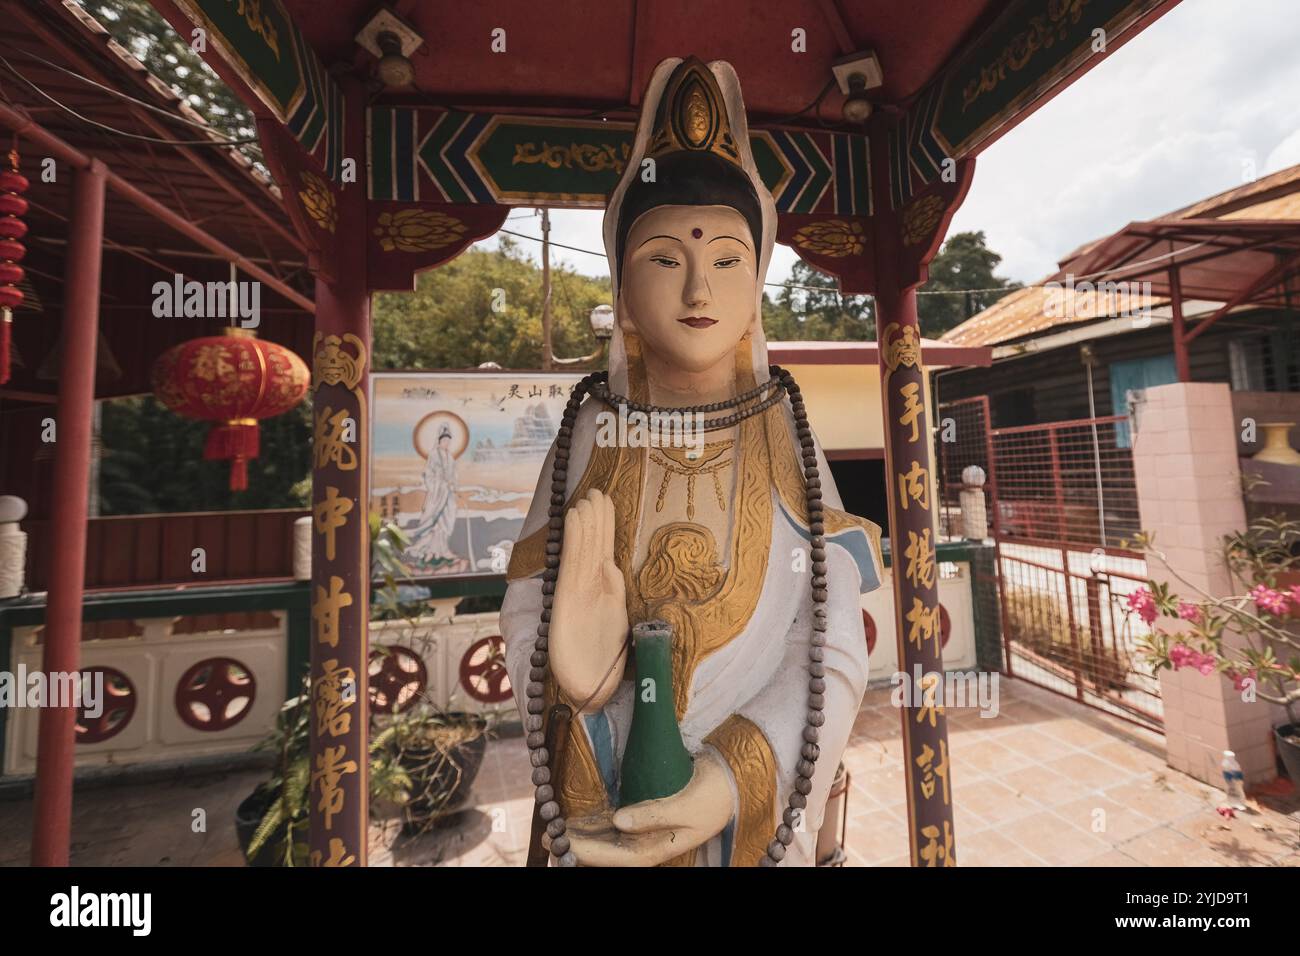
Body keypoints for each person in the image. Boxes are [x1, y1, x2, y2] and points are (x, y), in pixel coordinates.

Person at [501, 56, 882, 866]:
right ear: (624, 289)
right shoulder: (589, 430)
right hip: (598, 798)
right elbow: (527, 607)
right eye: (666, 259)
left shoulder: (786, 428)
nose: (698, 289)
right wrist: (586, 679)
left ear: (757, 288)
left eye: (728, 260)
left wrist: (740, 772)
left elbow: (836, 632)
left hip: (747, 812)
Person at [407, 424, 459, 567]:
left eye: (449, 441)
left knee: (445, 522)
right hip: (437, 495)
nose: (447, 443)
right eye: (444, 441)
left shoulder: (451, 458)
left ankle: (442, 551)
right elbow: (428, 474)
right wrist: (440, 483)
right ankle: (429, 551)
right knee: (434, 523)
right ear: (439, 441)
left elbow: (454, 475)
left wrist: (453, 485)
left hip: (447, 495)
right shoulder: (434, 455)